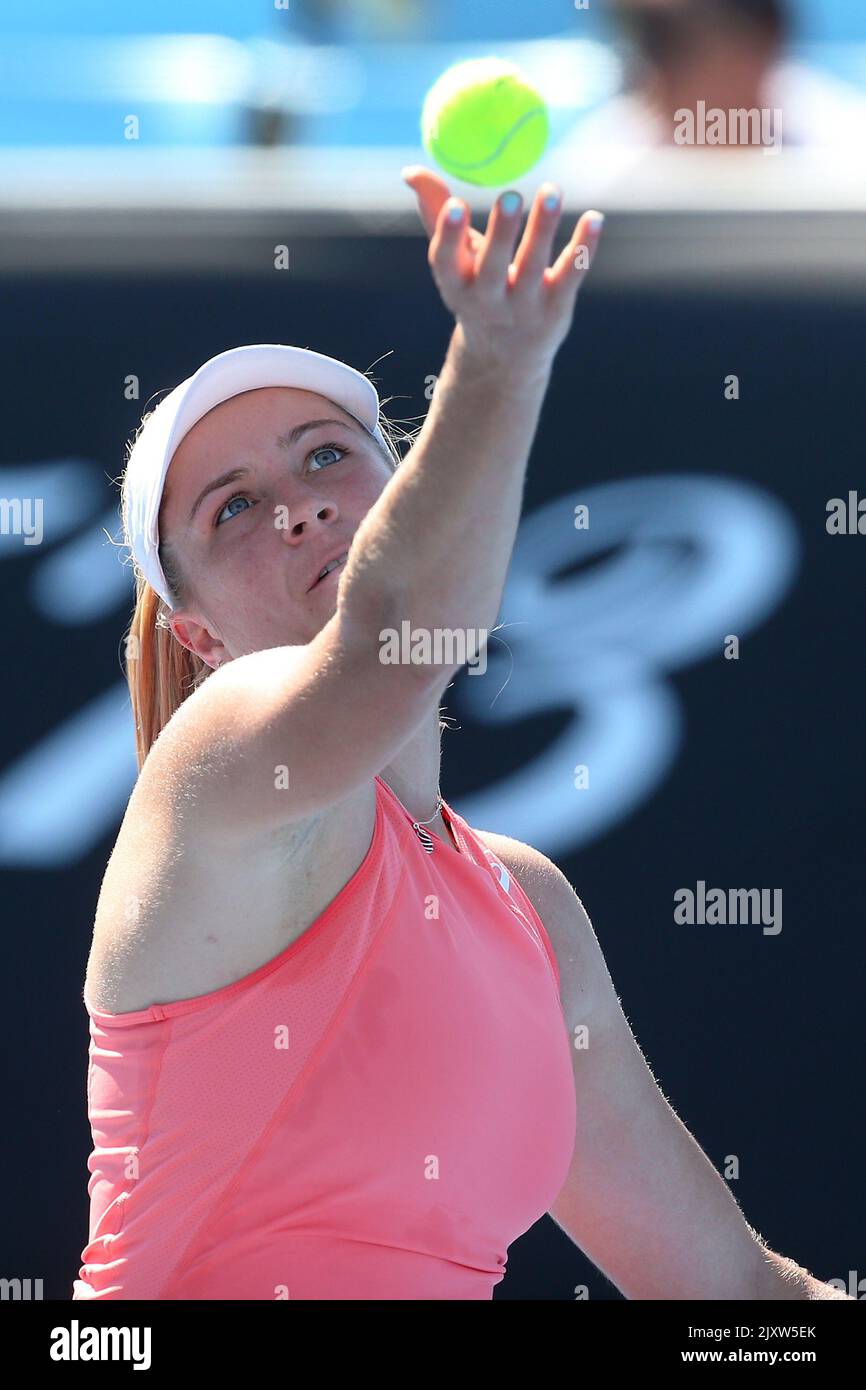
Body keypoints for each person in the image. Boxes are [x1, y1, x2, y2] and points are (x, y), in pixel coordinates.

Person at [74, 169, 847, 1300]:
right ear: (194, 636)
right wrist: (496, 358)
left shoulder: (527, 909)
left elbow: (725, 1293)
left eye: (327, 454)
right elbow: (393, 637)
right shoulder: (222, 759)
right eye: (232, 507)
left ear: (401, 490)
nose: (299, 504)